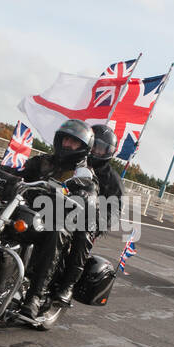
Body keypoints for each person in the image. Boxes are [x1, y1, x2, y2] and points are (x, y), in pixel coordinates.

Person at [18, 119, 96, 319]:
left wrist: (83, 195)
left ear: (83, 148)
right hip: (28, 211)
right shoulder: (43, 161)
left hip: (58, 218)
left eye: (74, 142)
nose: (67, 145)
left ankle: (34, 295)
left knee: (56, 231)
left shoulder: (83, 173)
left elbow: (89, 192)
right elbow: (20, 174)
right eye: (66, 139)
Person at [50, 124, 121, 306]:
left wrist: (96, 217)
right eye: (93, 145)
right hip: (54, 209)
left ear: (109, 151)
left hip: (85, 220)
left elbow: (113, 212)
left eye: (101, 147)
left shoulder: (112, 179)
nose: (96, 150)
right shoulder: (73, 162)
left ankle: (67, 286)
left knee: (83, 233)